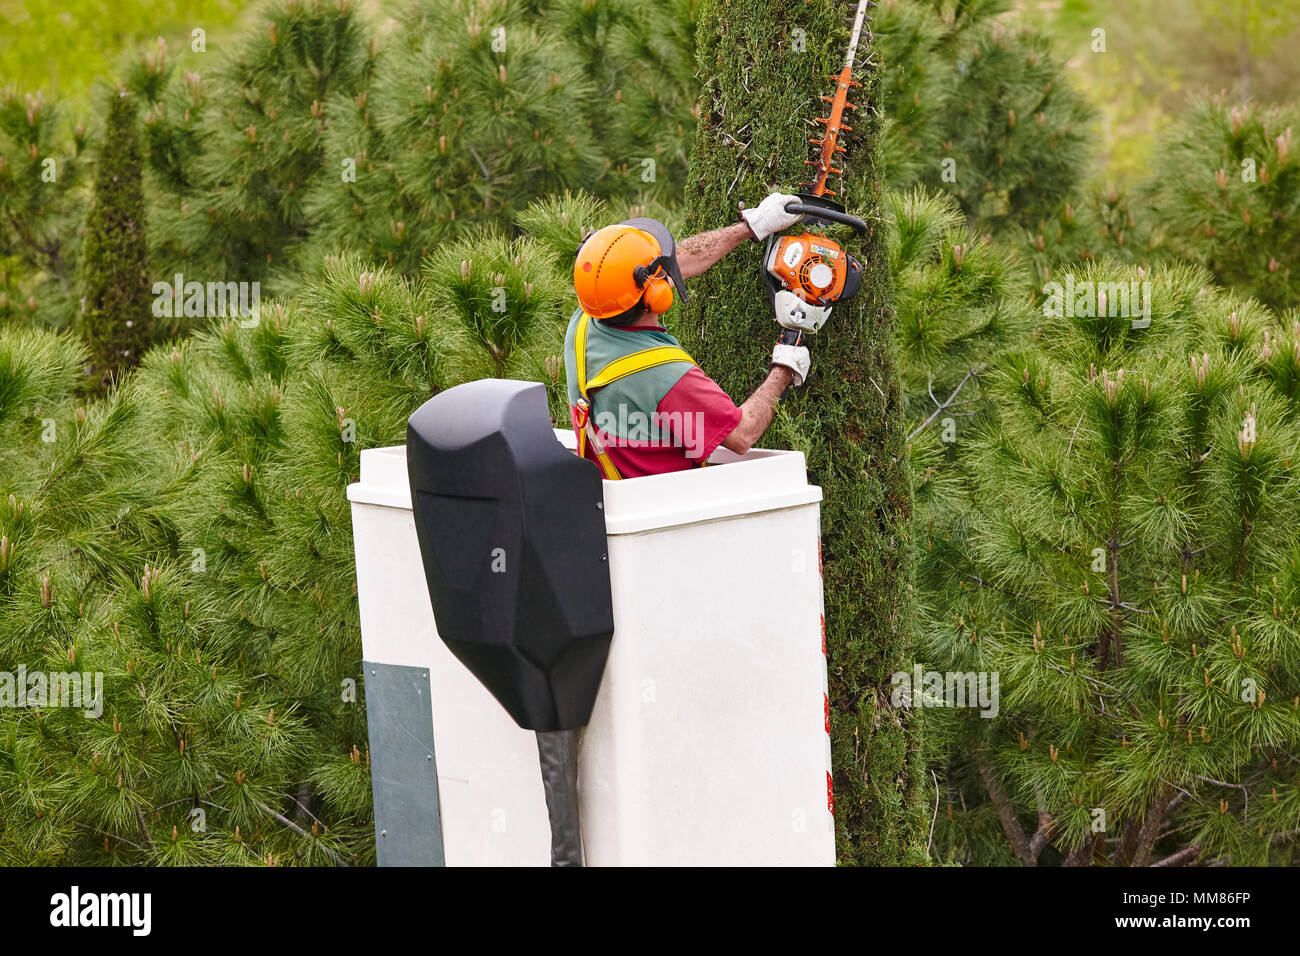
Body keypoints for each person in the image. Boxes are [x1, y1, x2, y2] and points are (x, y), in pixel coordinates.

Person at [564, 192, 814, 480]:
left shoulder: (585, 320)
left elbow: (674, 261)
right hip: (672, 513)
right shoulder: (667, 377)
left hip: (608, 501)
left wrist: (752, 225)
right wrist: (786, 362)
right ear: (656, 295)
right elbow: (743, 434)